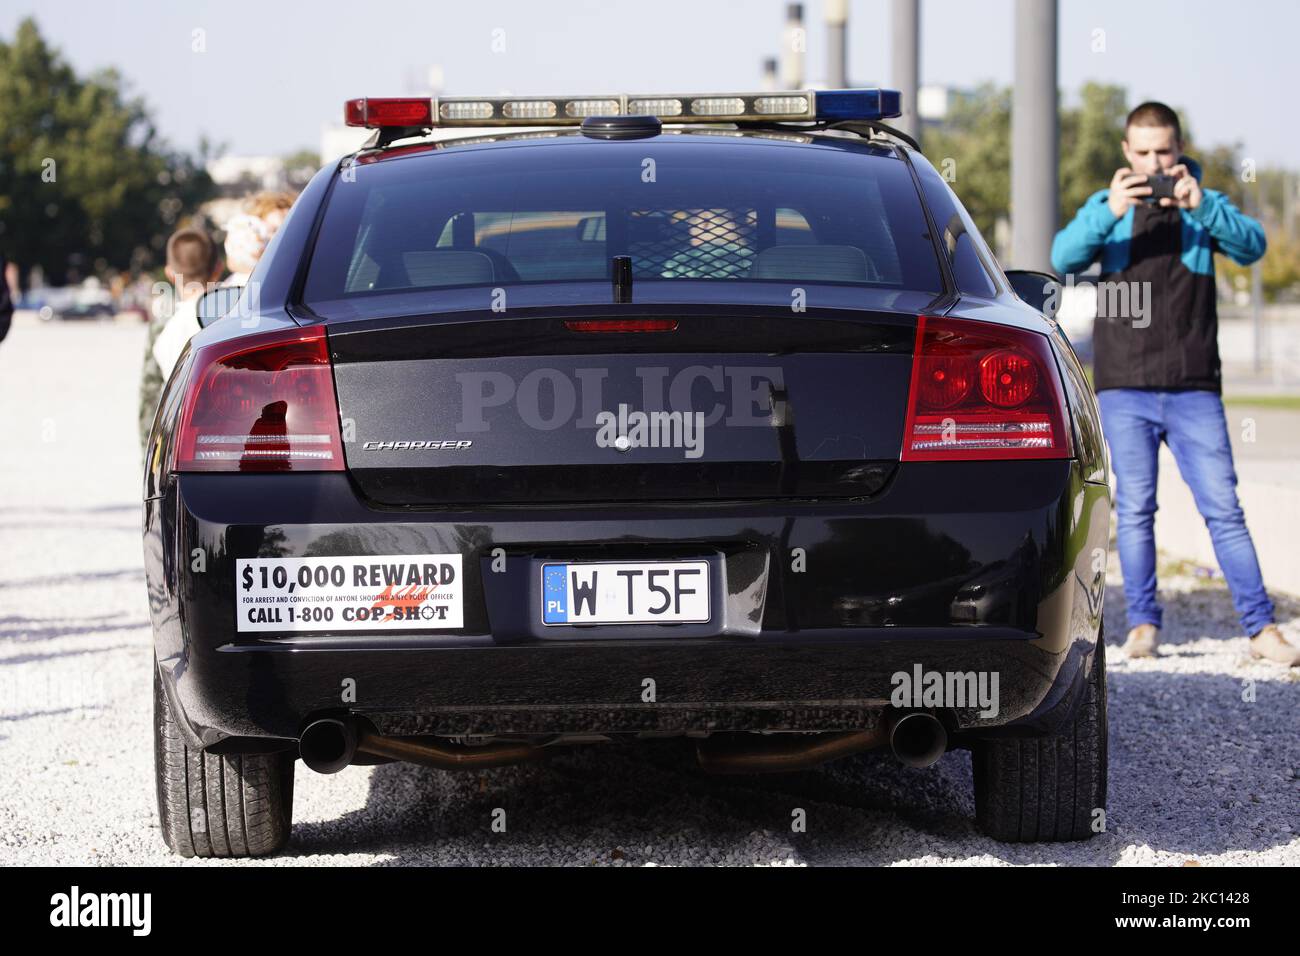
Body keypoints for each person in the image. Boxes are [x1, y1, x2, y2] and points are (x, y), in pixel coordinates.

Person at [1051, 101, 1297, 666]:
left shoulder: (1203, 207)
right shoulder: (1107, 208)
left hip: (1193, 386)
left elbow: (1252, 246)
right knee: (1135, 510)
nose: (1155, 163)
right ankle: (1143, 626)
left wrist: (1202, 204)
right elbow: (1064, 255)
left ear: (1180, 150)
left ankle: (1261, 629)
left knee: (1223, 508)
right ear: (1126, 154)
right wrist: (1109, 210)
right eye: (1143, 152)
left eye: (1164, 151)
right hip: (1124, 386)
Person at [138, 227, 222, 449]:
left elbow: (150, 396)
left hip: (179, 436)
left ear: (170, 274)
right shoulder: (232, 314)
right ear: (218, 269)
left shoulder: (162, 326)